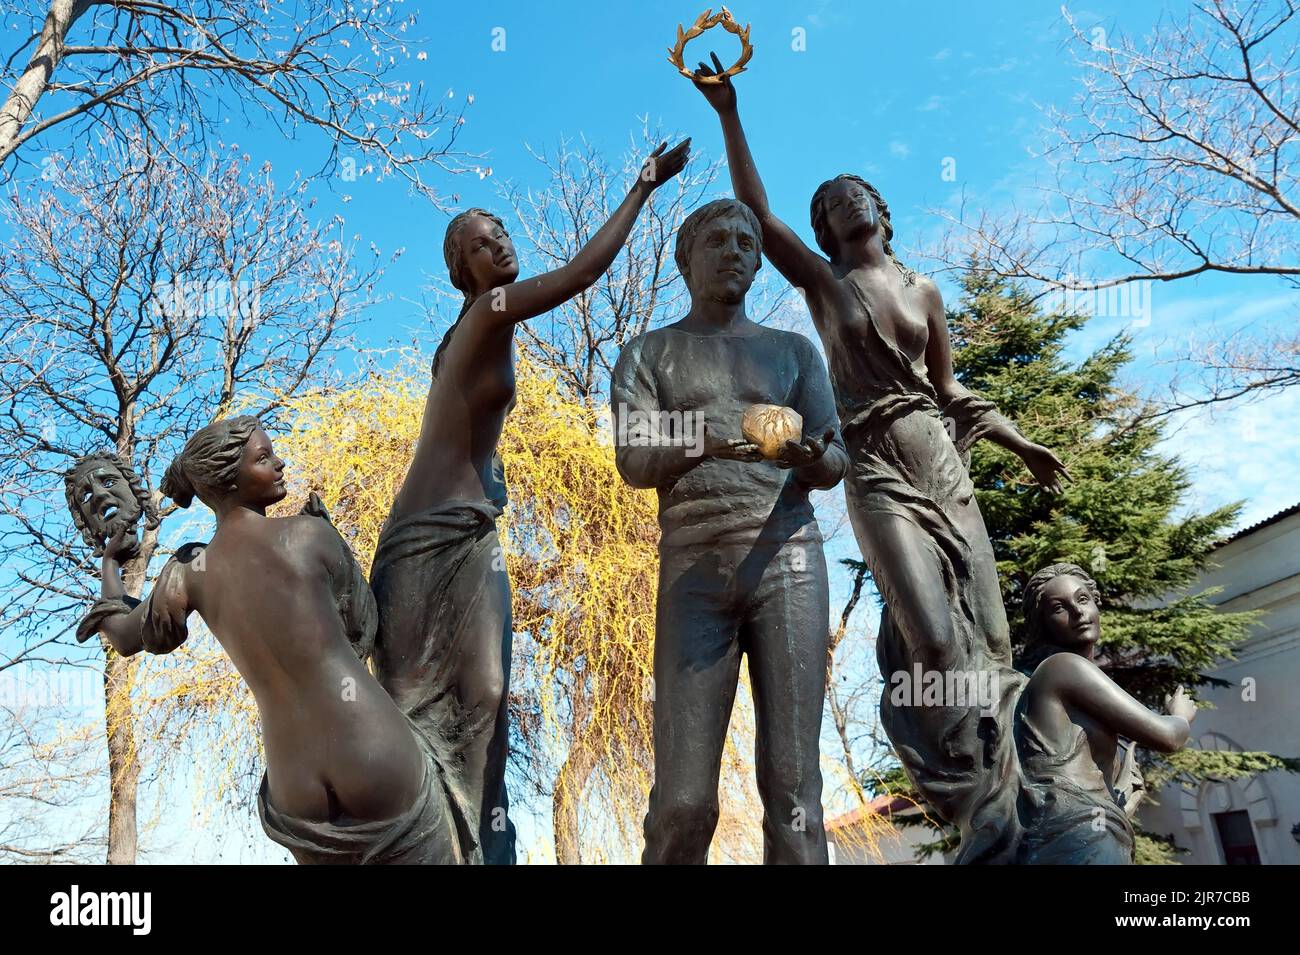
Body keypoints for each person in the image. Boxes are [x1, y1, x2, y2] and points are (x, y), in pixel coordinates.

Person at [692, 55, 1070, 862]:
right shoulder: (826, 288)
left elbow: (952, 390)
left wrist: (1021, 442)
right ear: (824, 229)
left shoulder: (924, 290)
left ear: (880, 209)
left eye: (854, 192)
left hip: (938, 456)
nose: (844, 202)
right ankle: (970, 790)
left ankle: (1013, 796)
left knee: (996, 639)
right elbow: (757, 210)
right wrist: (729, 113)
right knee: (932, 636)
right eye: (829, 203)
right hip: (874, 466)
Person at [370, 139, 691, 864]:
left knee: (486, 691)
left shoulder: (477, 326)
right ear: (464, 270)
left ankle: (485, 847)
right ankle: (418, 844)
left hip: (472, 533)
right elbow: (583, 272)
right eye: (483, 245)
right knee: (413, 702)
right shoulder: (490, 311)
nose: (500, 246)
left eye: (502, 233)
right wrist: (642, 185)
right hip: (422, 539)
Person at [79, 416, 468, 863]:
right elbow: (364, 631)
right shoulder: (309, 535)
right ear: (228, 480)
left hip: (293, 782)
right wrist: (331, 537)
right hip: (371, 747)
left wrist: (110, 562)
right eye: (264, 458)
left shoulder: (187, 572)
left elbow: (124, 635)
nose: (280, 463)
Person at [612, 198, 848, 864]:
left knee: (794, 784)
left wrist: (809, 456)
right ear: (685, 259)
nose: (736, 249)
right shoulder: (649, 353)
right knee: (685, 799)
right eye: (717, 239)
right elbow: (633, 456)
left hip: (789, 558)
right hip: (694, 567)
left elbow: (836, 459)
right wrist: (707, 439)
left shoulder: (793, 352)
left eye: (747, 240)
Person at [1015, 563, 1196, 864]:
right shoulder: (1063, 668)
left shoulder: (1052, 677)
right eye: (1060, 608)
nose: (1077, 613)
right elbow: (1169, 737)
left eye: (1083, 599)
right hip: (1078, 840)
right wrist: (1179, 716)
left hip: (1082, 837)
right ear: (1043, 624)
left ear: (1096, 603)